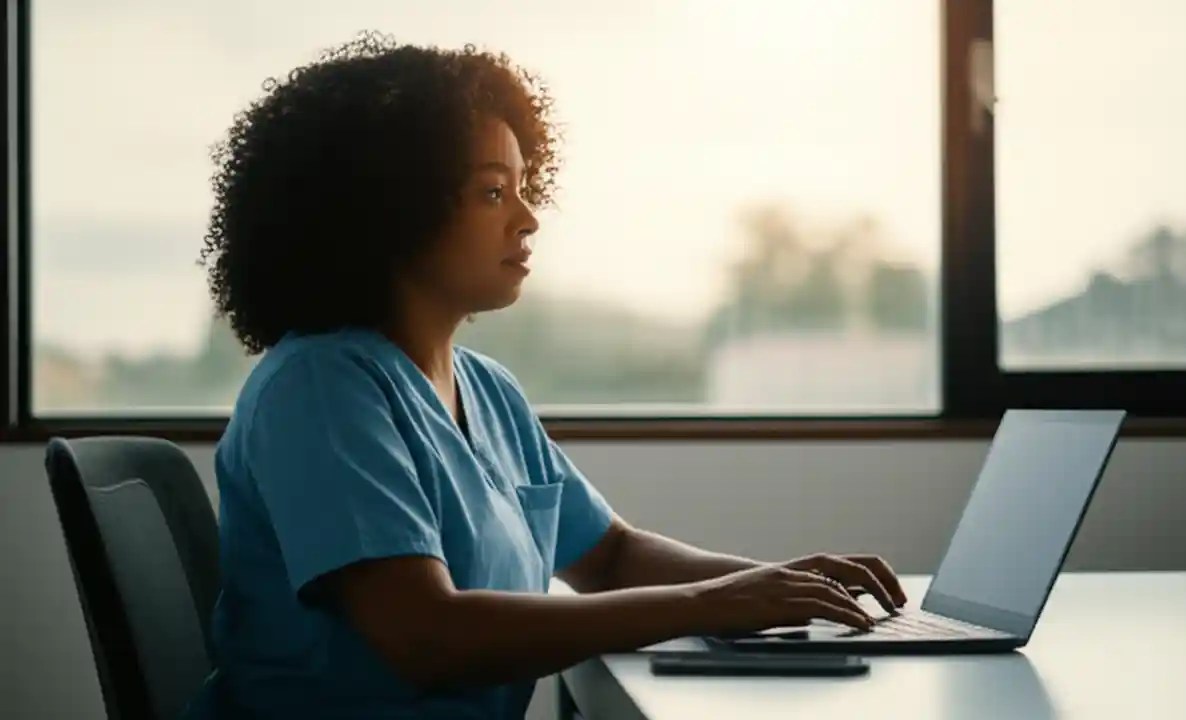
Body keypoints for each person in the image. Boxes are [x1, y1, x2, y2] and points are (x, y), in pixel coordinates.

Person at [183, 30, 907, 720]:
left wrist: (782, 584)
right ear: (393, 207)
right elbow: (425, 636)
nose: (528, 218)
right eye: (494, 192)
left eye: (525, 188)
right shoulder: (320, 388)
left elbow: (612, 555)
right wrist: (712, 603)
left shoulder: (487, 389)